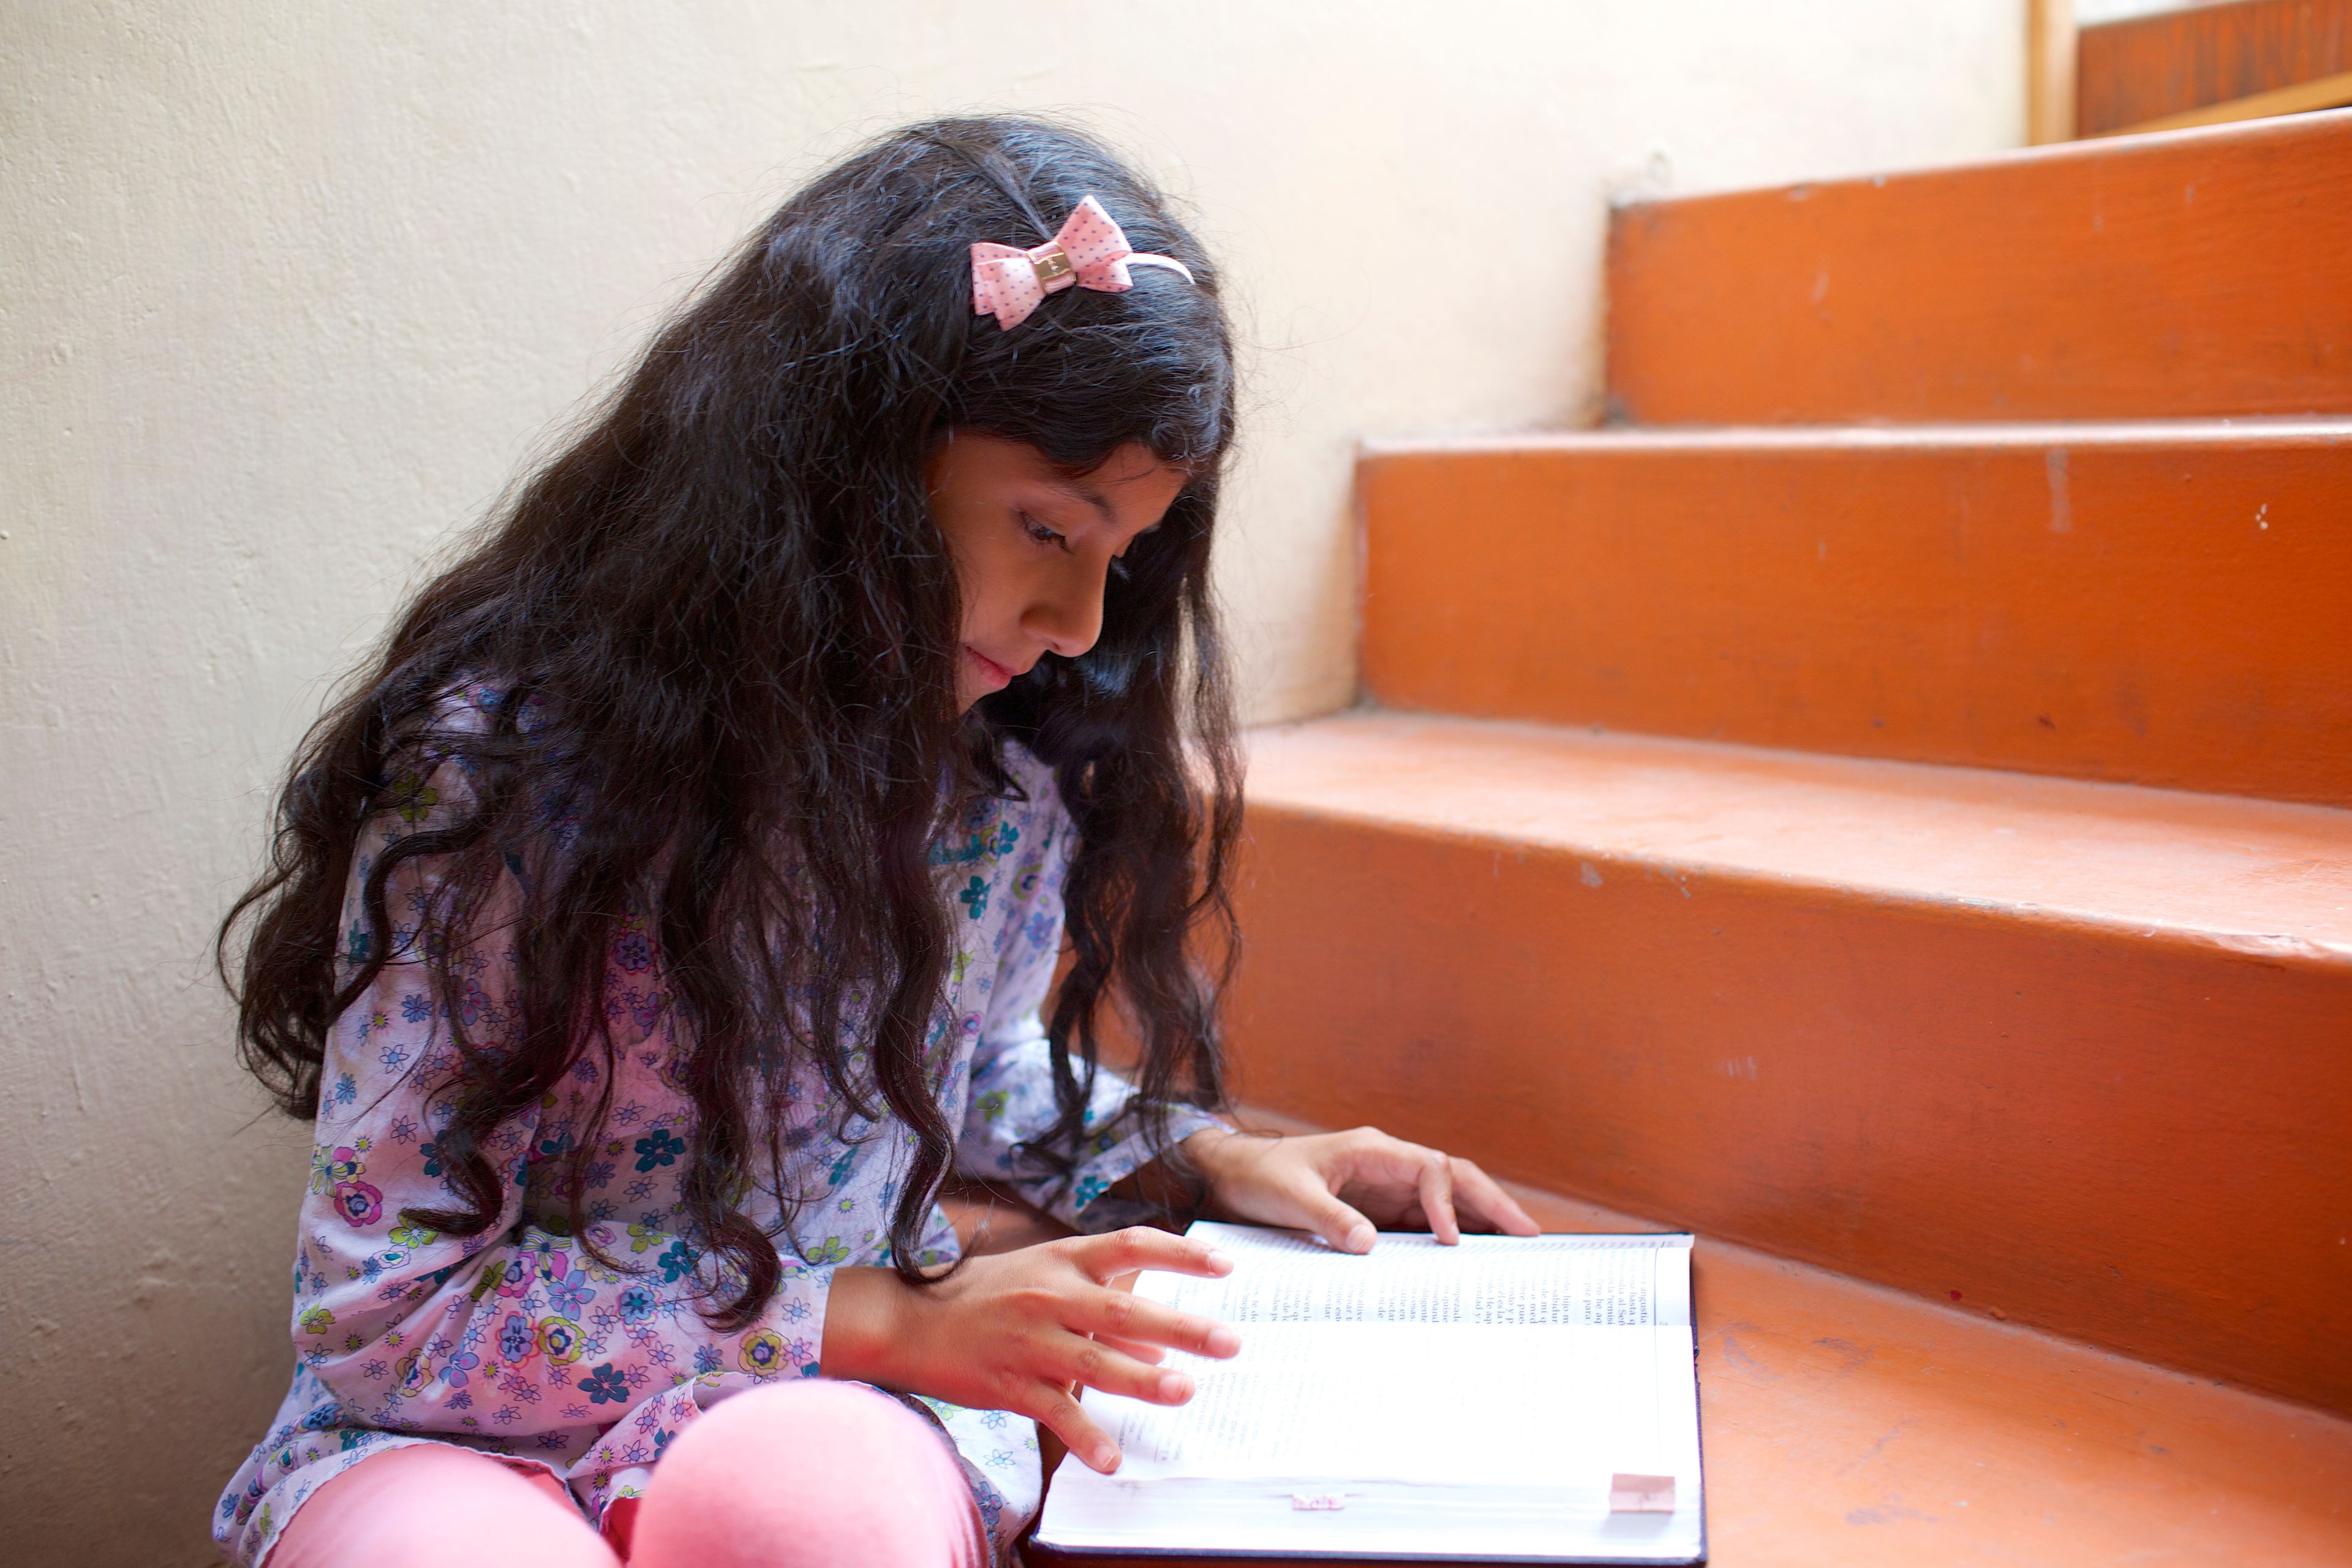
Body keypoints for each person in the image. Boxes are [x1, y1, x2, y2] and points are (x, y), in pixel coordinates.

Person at [212, 116, 1537, 1568]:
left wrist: (1203, 1149)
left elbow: (960, 1065)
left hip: (815, 1419)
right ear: (851, 473)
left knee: (817, 1518)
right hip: (452, 1429)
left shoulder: (1002, 776)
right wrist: (884, 1316)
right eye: (1047, 529)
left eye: (1125, 557)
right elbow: (385, 1310)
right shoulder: (498, 775)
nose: (1082, 627)